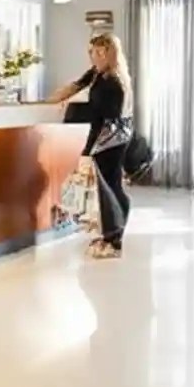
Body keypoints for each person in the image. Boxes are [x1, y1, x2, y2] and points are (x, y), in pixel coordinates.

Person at [48, 33, 134, 259]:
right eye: (92, 52)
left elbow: (106, 118)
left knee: (110, 188)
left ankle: (114, 240)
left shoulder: (113, 81)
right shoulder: (98, 74)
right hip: (108, 137)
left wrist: (89, 150)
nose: (94, 56)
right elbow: (77, 85)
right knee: (109, 187)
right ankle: (110, 234)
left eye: (99, 52)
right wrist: (53, 101)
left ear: (110, 53)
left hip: (109, 140)